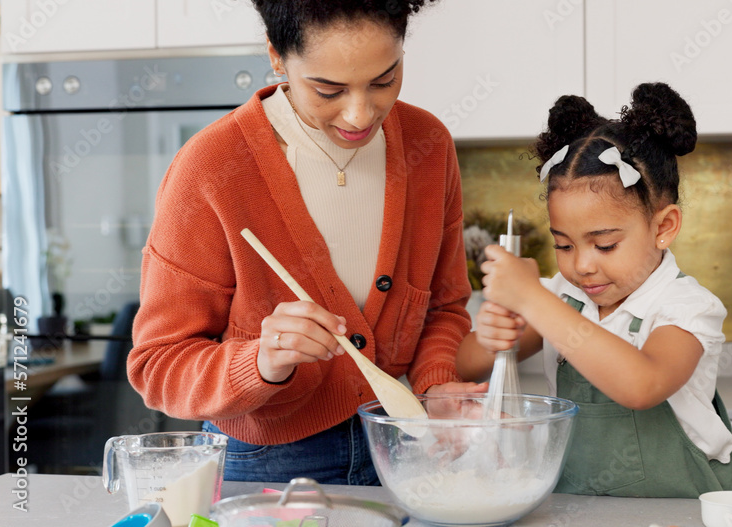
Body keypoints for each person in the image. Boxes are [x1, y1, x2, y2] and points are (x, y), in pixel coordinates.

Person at [128, 0, 483, 485]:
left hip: (398, 440)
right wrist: (261, 361)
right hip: (267, 459)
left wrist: (436, 383)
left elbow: (443, 308)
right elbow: (159, 365)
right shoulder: (211, 167)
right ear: (277, 58)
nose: (360, 114)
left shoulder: (428, 145)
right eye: (328, 89)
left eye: (384, 79)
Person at [456, 83, 732, 498]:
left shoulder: (686, 308)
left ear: (664, 227)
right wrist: (491, 336)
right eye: (563, 245)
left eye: (605, 244)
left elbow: (641, 385)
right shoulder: (562, 295)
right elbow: (465, 367)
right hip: (581, 510)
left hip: (682, 514)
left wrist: (533, 299)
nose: (582, 265)